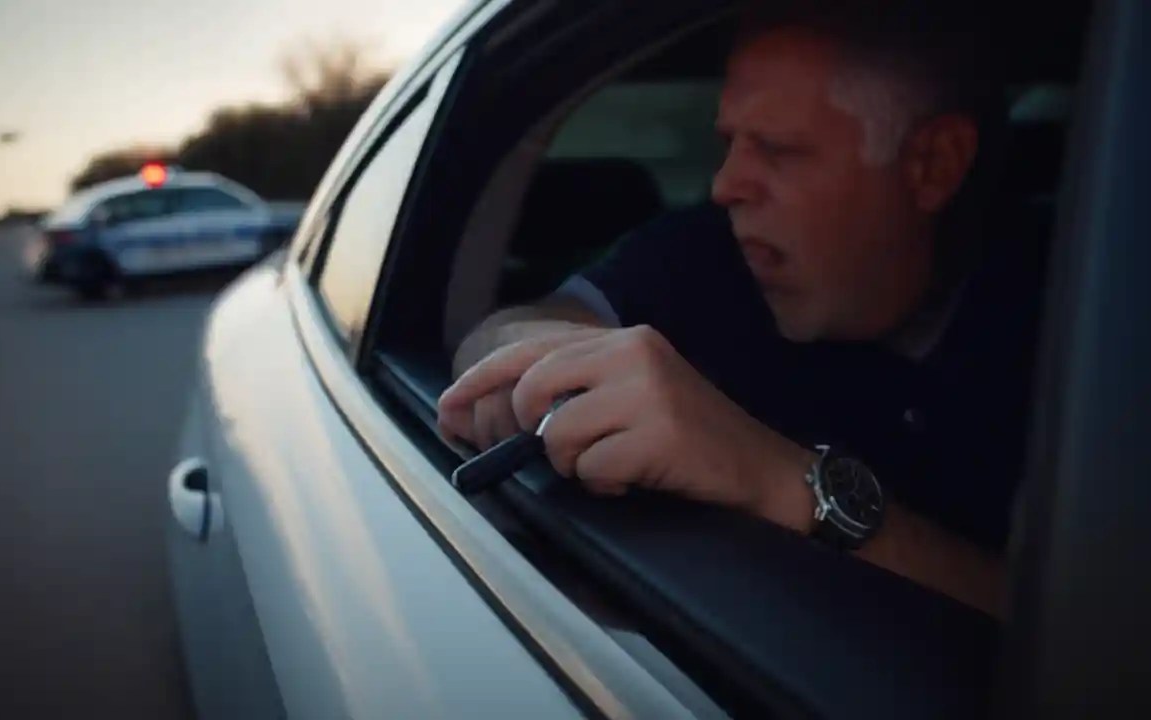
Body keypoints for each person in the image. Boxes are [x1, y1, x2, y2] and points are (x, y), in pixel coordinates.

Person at [438, 6, 1043, 618]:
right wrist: (545, 362)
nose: (726, 185)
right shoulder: (709, 256)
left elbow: (1085, 641)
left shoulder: (1080, 350)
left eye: (779, 151)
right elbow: (502, 330)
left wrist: (772, 477)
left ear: (932, 165)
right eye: (729, 144)